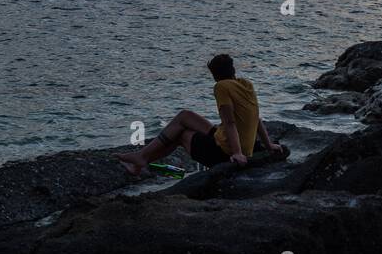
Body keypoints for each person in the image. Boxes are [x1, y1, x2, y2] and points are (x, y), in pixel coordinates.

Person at [117, 54, 287, 175]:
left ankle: (141, 160)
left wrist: (237, 153)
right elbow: (256, 117)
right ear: (233, 70)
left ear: (214, 75)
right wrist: (269, 144)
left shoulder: (221, 87)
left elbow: (230, 123)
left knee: (180, 135)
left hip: (226, 150)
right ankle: (140, 160)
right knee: (185, 115)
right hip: (229, 140)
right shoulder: (246, 84)